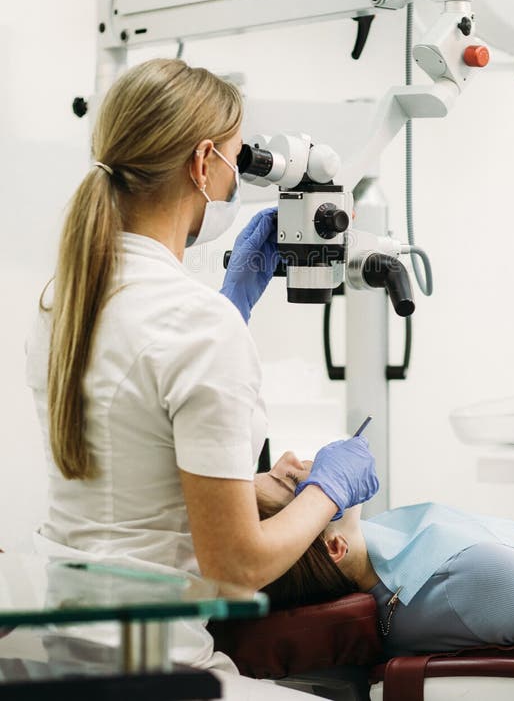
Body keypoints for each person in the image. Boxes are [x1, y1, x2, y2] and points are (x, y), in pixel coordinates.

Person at [25, 58, 379, 699]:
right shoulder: (195, 325)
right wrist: (328, 490)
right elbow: (238, 566)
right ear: (203, 161)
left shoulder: (64, 301)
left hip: (66, 657)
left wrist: (232, 306)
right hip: (158, 670)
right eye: (240, 160)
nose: (239, 178)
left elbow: (137, 462)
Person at [255, 453, 514, 655]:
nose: (289, 457)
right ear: (334, 547)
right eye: (289, 480)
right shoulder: (466, 579)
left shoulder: (380, 556)